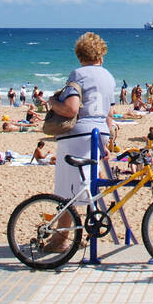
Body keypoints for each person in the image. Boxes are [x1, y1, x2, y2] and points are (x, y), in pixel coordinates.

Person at [47, 33, 117, 207]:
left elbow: (71, 109)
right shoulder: (109, 77)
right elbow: (110, 113)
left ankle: (62, 233)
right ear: (101, 55)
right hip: (101, 132)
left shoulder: (78, 74)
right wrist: (107, 144)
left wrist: (53, 103)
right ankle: (94, 219)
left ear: (80, 55)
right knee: (90, 181)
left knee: (67, 188)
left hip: (78, 134)